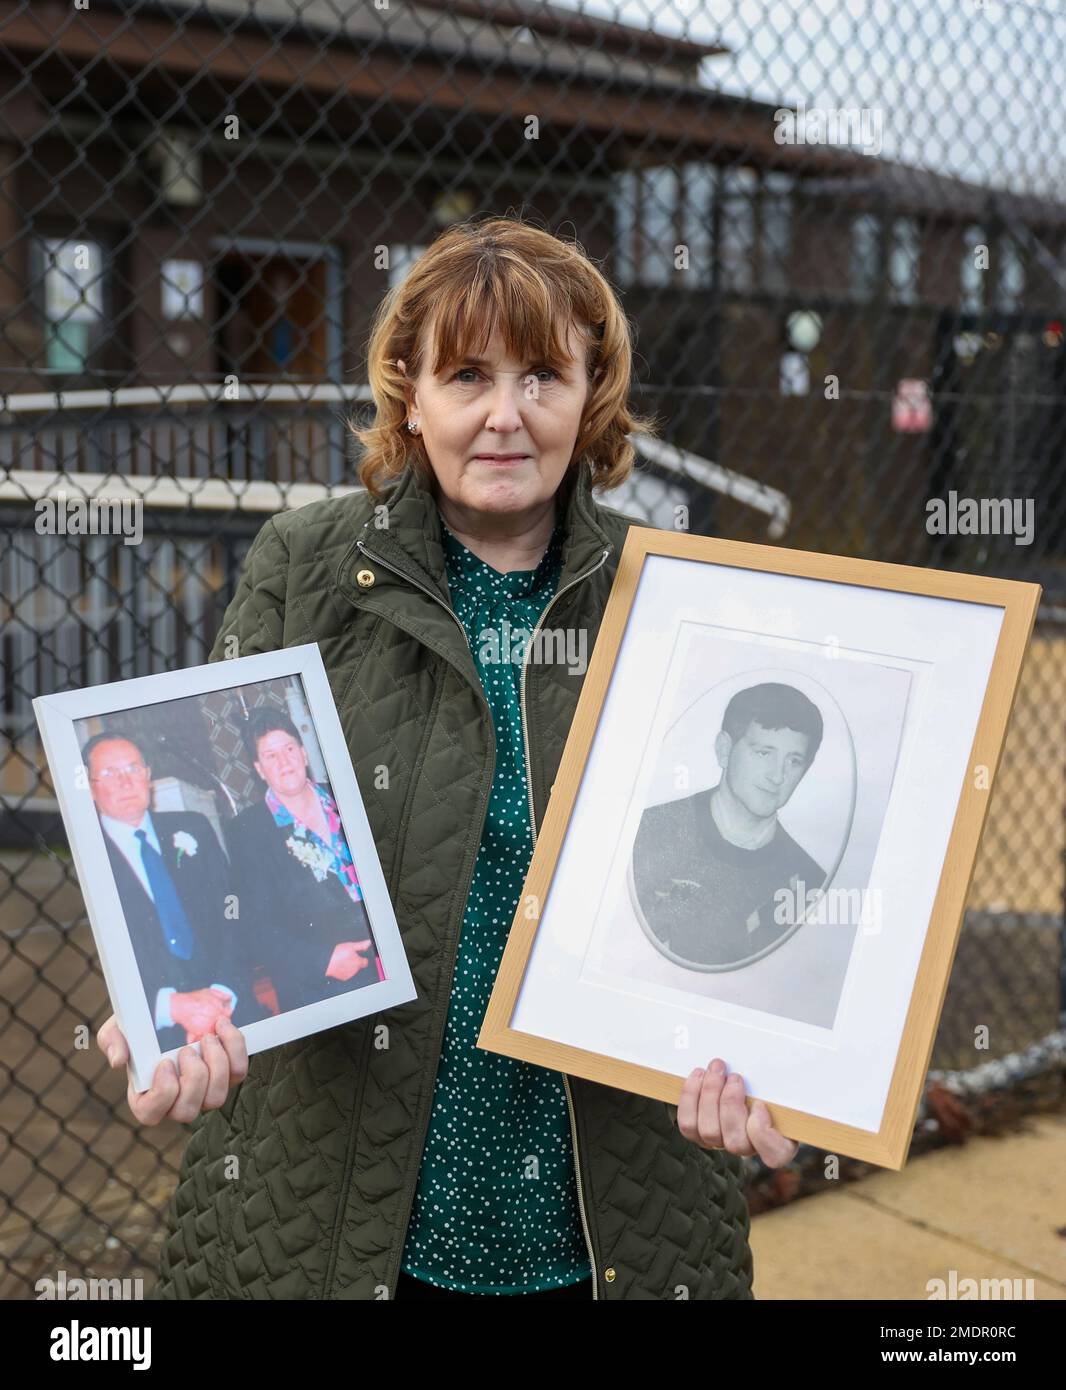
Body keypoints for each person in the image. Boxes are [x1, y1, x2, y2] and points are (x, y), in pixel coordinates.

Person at [97, 214, 799, 1302]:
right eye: (467, 374)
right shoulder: (307, 568)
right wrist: (166, 995)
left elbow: (734, 893)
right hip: (343, 1199)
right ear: (408, 395)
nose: (505, 415)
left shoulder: (679, 604)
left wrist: (774, 1062)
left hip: (608, 1202)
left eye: (542, 376)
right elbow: (227, 824)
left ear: (591, 396)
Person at [85, 731, 264, 1048]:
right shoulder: (86, 862)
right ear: (90, 788)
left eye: (133, 769)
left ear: (148, 777)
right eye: (110, 774)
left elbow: (233, 912)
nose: (126, 782)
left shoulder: (193, 827)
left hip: (232, 1006)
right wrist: (173, 1007)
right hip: (158, 1035)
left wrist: (223, 994)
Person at [631, 682, 828, 970]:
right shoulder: (646, 832)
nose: (777, 775)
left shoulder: (809, 883)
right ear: (725, 749)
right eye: (764, 752)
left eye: (794, 761)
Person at [224, 707, 382, 1012]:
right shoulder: (247, 831)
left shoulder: (347, 798)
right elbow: (254, 927)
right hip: (322, 990)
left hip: (389, 965)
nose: (284, 761)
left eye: (289, 749)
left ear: (304, 754)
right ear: (259, 769)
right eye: (271, 756)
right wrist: (321, 962)